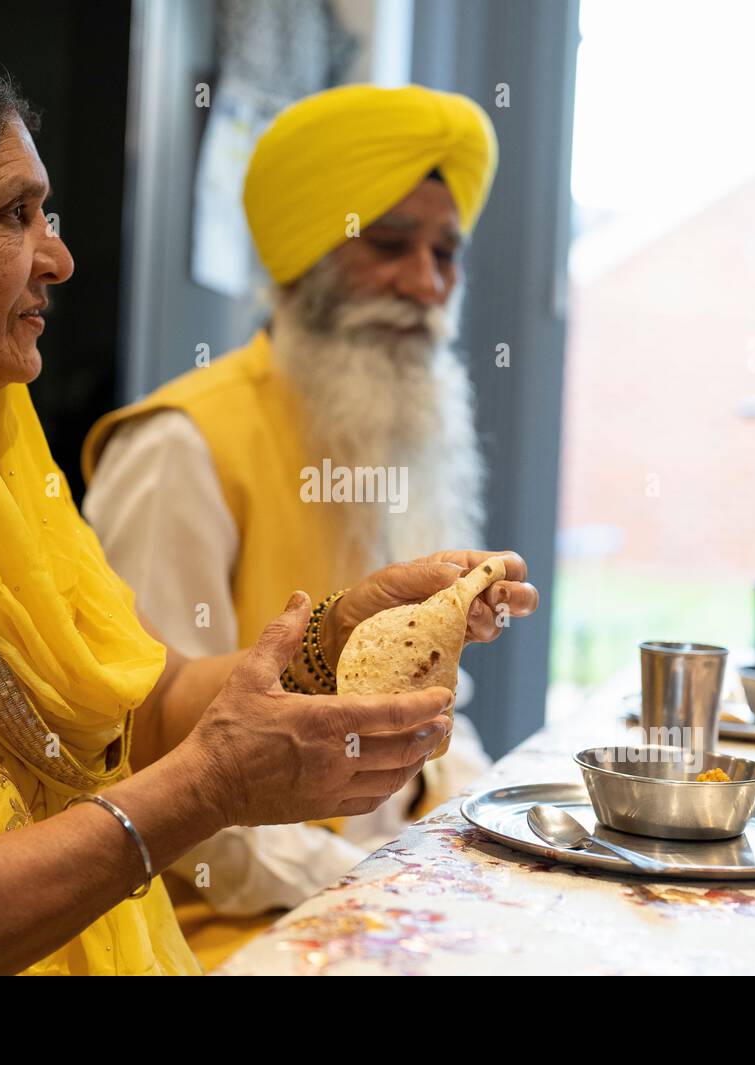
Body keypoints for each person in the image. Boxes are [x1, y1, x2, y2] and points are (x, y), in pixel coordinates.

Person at [0, 34, 538, 975]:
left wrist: (341, 630)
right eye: (12, 215)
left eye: (47, 212)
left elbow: (133, 710)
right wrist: (202, 792)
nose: (57, 257)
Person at [81, 84, 502, 967]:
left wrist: (490, 833)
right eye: (389, 246)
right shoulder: (181, 447)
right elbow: (145, 772)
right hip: (227, 929)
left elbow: (428, 734)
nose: (426, 285)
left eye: (446, 253)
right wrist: (387, 883)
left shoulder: (395, 429)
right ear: (304, 258)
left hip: (385, 892)